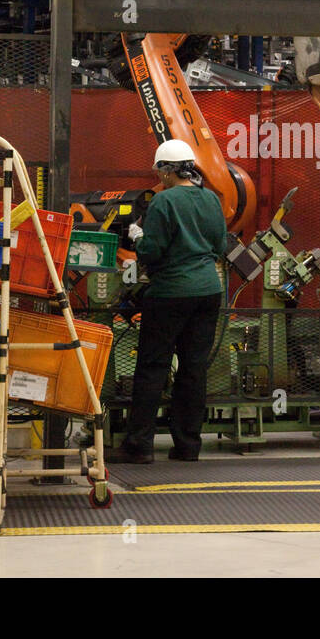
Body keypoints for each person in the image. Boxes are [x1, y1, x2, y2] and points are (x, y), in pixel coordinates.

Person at [109, 139, 228, 463]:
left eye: (158, 171)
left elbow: (151, 253)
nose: (157, 177)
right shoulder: (211, 200)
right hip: (208, 291)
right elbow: (219, 245)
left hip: (170, 294)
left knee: (153, 368)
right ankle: (188, 446)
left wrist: (138, 236)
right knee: (193, 369)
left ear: (167, 170)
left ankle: (139, 446)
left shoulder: (163, 202)